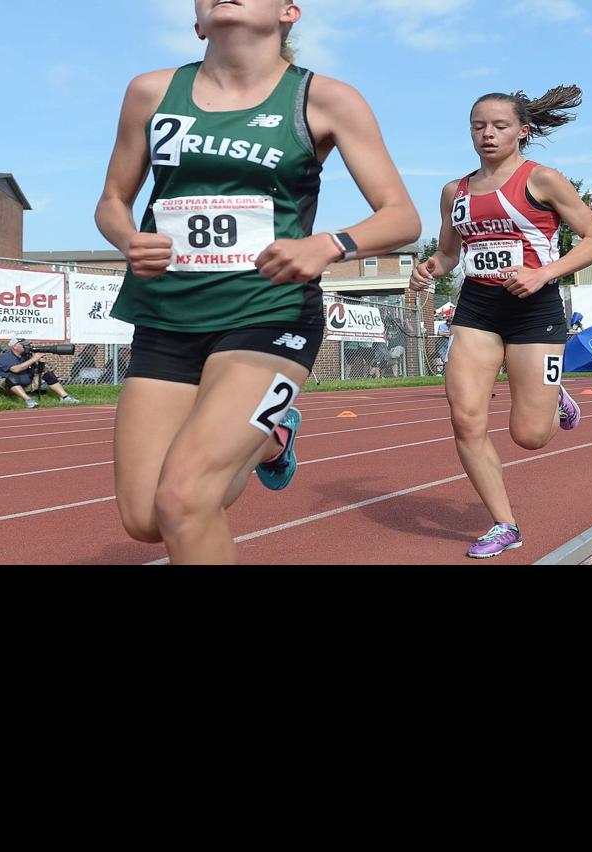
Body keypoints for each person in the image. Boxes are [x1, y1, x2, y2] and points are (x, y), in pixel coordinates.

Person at [95, 0, 421, 563]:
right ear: (198, 23)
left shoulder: (324, 99)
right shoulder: (150, 92)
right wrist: (127, 239)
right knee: (147, 519)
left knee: (187, 497)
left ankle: (257, 431)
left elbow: (401, 217)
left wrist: (329, 244)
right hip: (166, 315)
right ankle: (273, 437)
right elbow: (112, 202)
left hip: (270, 315)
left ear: (289, 12)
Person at [408, 85, 592, 559]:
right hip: (478, 308)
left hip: (534, 311)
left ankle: (553, 395)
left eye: (499, 126)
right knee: (465, 418)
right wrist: (429, 269)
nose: (488, 134)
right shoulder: (453, 192)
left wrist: (544, 272)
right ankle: (504, 524)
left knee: (531, 436)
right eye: (479, 126)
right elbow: (447, 253)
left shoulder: (542, 180)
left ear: (522, 131)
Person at [0, 339, 83, 407]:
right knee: (12, 377)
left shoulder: (27, 356)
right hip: (6, 385)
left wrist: (41, 363)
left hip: (27, 383)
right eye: (23, 345)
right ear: (14, 346)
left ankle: (65, 397)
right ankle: (29, 400)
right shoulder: (5, 356)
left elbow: (38, 371)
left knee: (48, 374)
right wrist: (34, 359)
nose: (27, 346)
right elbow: (15, 370)